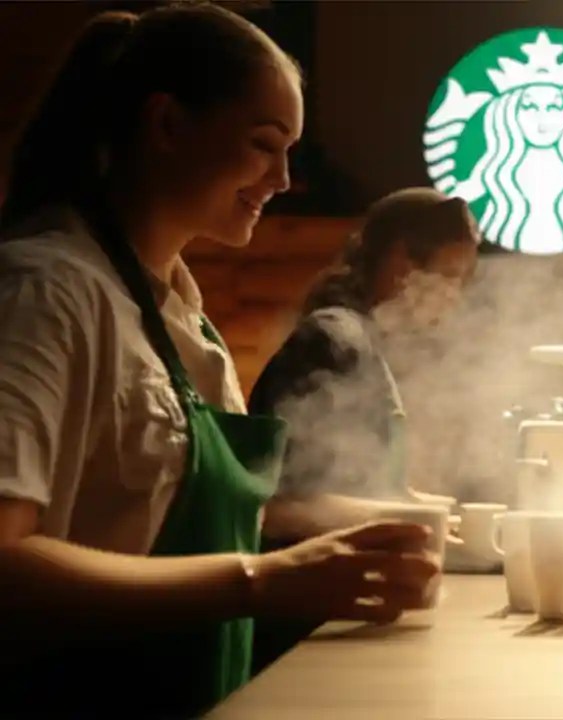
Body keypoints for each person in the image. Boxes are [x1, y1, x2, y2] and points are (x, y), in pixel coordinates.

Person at [0, 5, 437, 716]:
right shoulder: (45, 291)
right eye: (266, 145)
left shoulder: (182, 315)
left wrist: (371, 533)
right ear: (167, 125)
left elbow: (198, 514)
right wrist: (260, 579)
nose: (286, 179)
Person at [249, 187, 479, 544]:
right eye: (449, 274)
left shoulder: (364, 340)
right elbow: (280, 507)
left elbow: (364, 488)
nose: (455, 296)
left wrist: (434, 514)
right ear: (403, 265)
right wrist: (411, 521)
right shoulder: (333, 340)